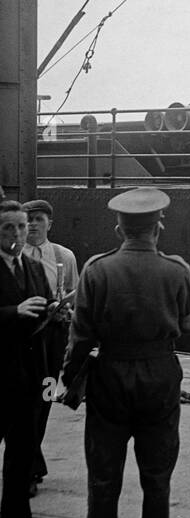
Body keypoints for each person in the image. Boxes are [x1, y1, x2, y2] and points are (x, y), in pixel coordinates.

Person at [60, 188, 190, 518]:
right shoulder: (177, 271)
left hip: (110, 377)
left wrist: (69, 380)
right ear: (158, 226)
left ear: (118, 227)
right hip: (159, 376)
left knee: (103, 481)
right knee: (156, 481)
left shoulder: (96, 270)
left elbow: (81, 335)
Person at [0, 201, 55, 518]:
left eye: (22, 226)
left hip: (27, 378)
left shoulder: (33, 267)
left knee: (21, 456)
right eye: (9, 228)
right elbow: (16, 312)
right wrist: (12, 312)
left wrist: (54, 313)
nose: (18, 233)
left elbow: (43, 307)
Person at [23, 199, 80, 494]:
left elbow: (74, 293)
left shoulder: (64, 256)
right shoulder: (12, 256)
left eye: (38, 219)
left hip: (53, 341)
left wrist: (66, 313)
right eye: (27, 219)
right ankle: (29, 467)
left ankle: (32, 460)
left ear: (49, 223)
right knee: (24, 401)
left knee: (44, 397)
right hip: (22, 341)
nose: (32, 224)